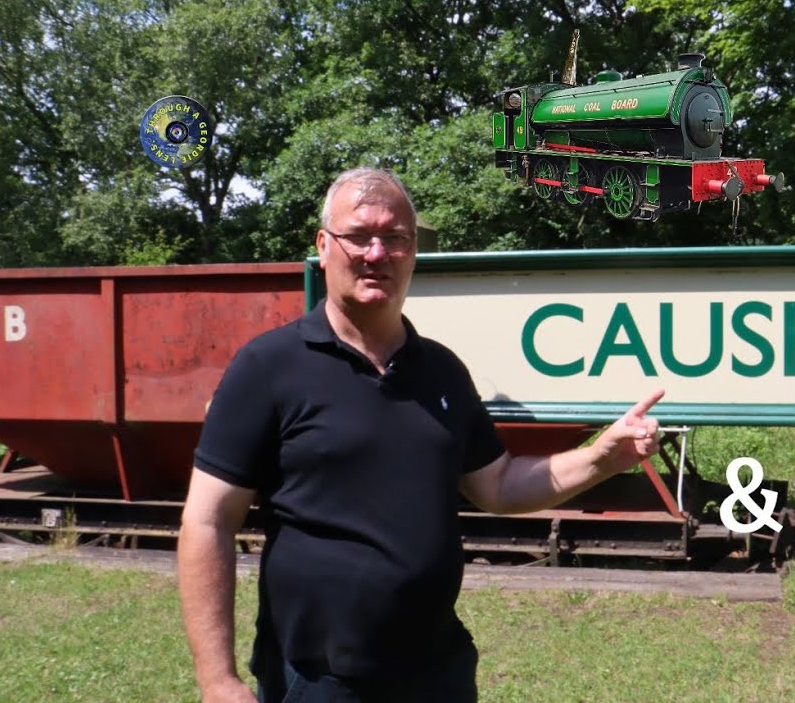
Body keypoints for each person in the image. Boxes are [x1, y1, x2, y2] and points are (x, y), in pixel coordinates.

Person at [178, 167, 663, 703]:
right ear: (324, 245)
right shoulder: (269, 367)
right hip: (318, 680)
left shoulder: (441, 371)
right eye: (359, 236)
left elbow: (498, 484)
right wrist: (217, 680)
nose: (376, 253)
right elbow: (207, 520)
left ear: (413, 252)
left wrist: (598, 458)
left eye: (396, 238)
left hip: (438, 674)